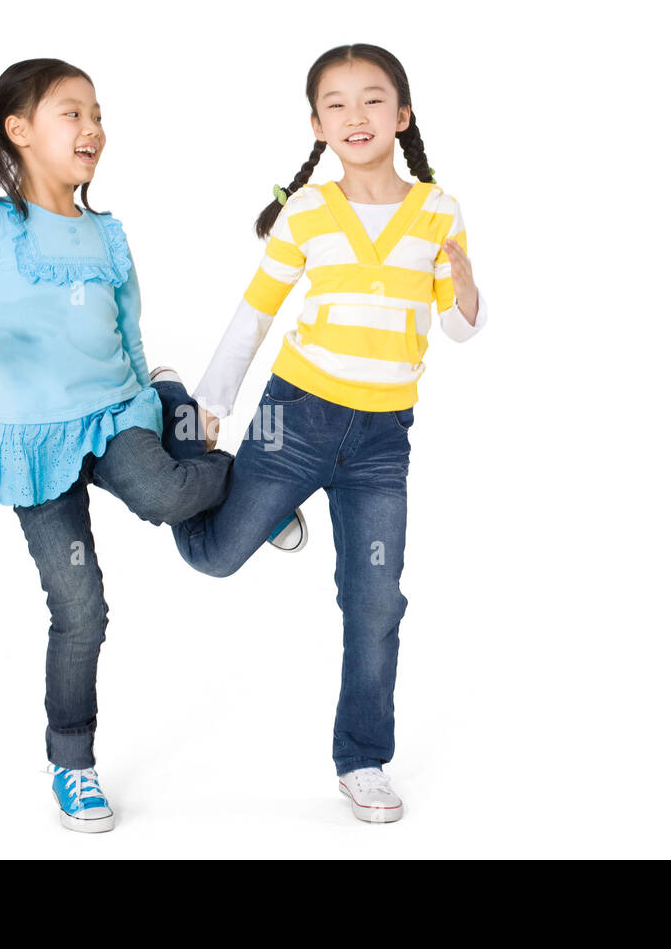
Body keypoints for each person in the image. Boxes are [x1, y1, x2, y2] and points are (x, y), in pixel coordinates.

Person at [0, 59, 296, 832]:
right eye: (71, 114)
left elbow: (127, 329)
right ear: (18, 131)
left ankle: (249, 472)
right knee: (81, 608)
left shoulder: (109, 233)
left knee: (164, 493)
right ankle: (73, 764)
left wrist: (149, 408)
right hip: (34, 442)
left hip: (118, 411)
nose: (92, 129)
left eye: (97, 114)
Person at [150, 43, 490, 823]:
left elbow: (460, 329)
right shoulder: (306, 213)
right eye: (335, 103)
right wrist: (208, 404)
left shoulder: (440, 210)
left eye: (373, 100)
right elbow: (256, 314)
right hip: (291, 417)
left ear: (402, 116)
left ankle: (362, 758)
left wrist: (468, 290)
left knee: (374, 600)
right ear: (316, 124)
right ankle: (178, 416)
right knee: (214, 557)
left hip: (381, 441)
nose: (356, 115)